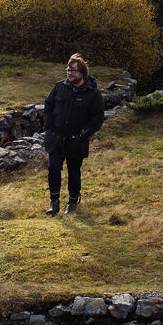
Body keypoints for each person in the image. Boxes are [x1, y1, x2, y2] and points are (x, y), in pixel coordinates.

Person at [43, 52, 104, 215]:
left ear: (82, 72)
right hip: (56, 138)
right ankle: (54, 202)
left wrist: (82, 134)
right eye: (68, 70)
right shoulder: (59, 87)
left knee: (74, 173)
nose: (69, 73)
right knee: (53, 168)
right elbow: (48, 105)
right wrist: (49, 127)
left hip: (77, 141)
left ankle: (72, 202)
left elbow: (97, 119)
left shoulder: (93, 94)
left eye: (73, 70)